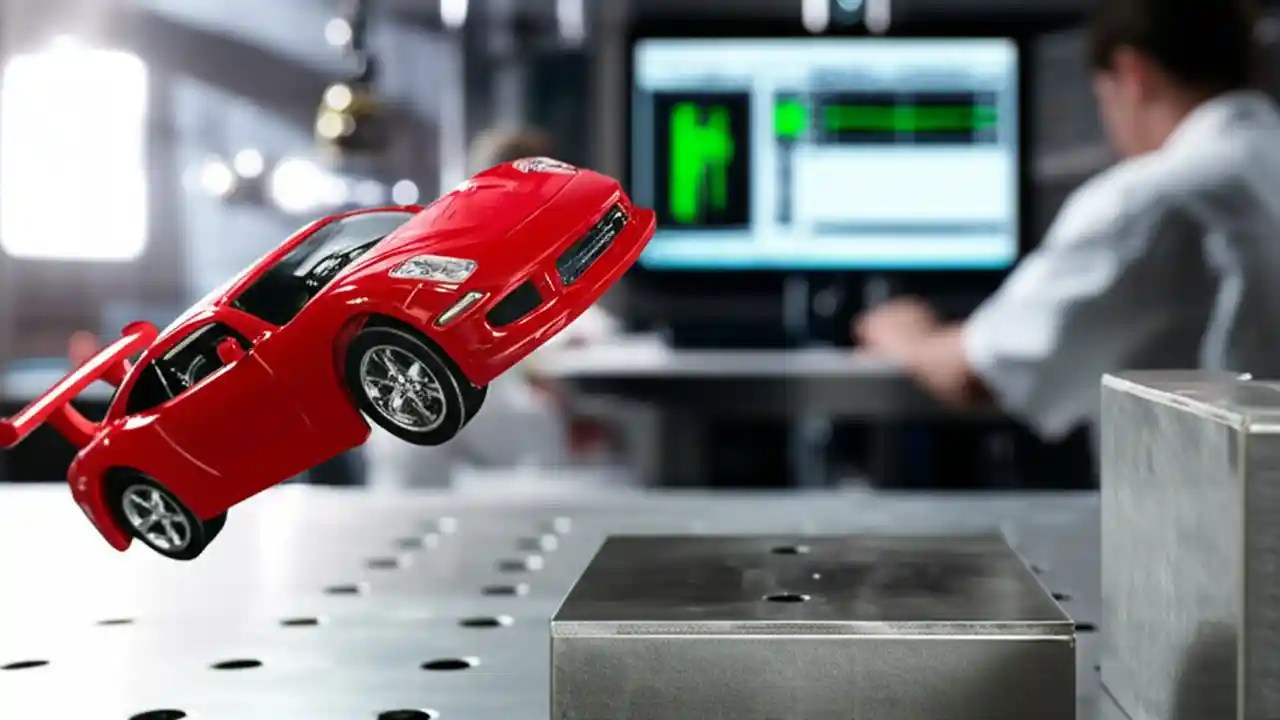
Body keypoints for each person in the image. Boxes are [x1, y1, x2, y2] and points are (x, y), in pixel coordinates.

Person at [855, 0, 1280, 441]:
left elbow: (982, 374)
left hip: (1216, 508)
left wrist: (907, 337)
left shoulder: (1151, 199)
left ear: (1132, 74)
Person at [363, 126, 621, 488]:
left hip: (544, 489)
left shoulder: (566, 287)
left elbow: (595, 343)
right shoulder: (432, 275)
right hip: (439, 490)